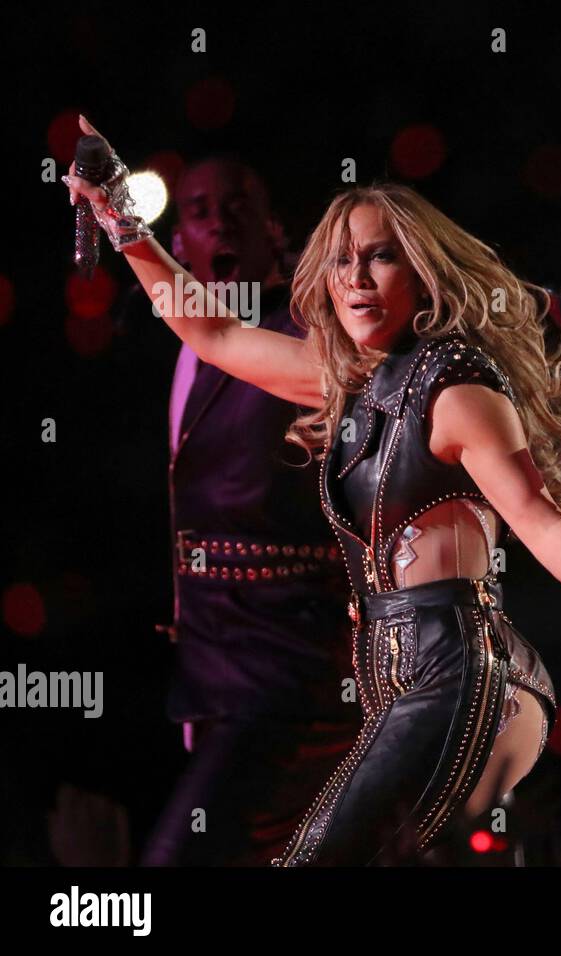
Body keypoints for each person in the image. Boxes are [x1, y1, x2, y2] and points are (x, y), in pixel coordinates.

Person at [64, 116, 561, 865]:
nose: (353, 277)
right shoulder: (350, 380)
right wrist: (122, 220)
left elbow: (537, 516)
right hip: (398, 683)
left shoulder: (456, 392)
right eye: (342, 260)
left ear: (420, 275)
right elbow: (213, 335)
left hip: (461, 678)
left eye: (379, 258)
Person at [140, 157, 360, 866]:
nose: (219, 220)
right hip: (212, 670)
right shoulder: (181, 345)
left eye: (238, 205)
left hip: (290, 675)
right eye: (199, 209)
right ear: (180, 244)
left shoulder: (303, 334)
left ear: (273, 231)